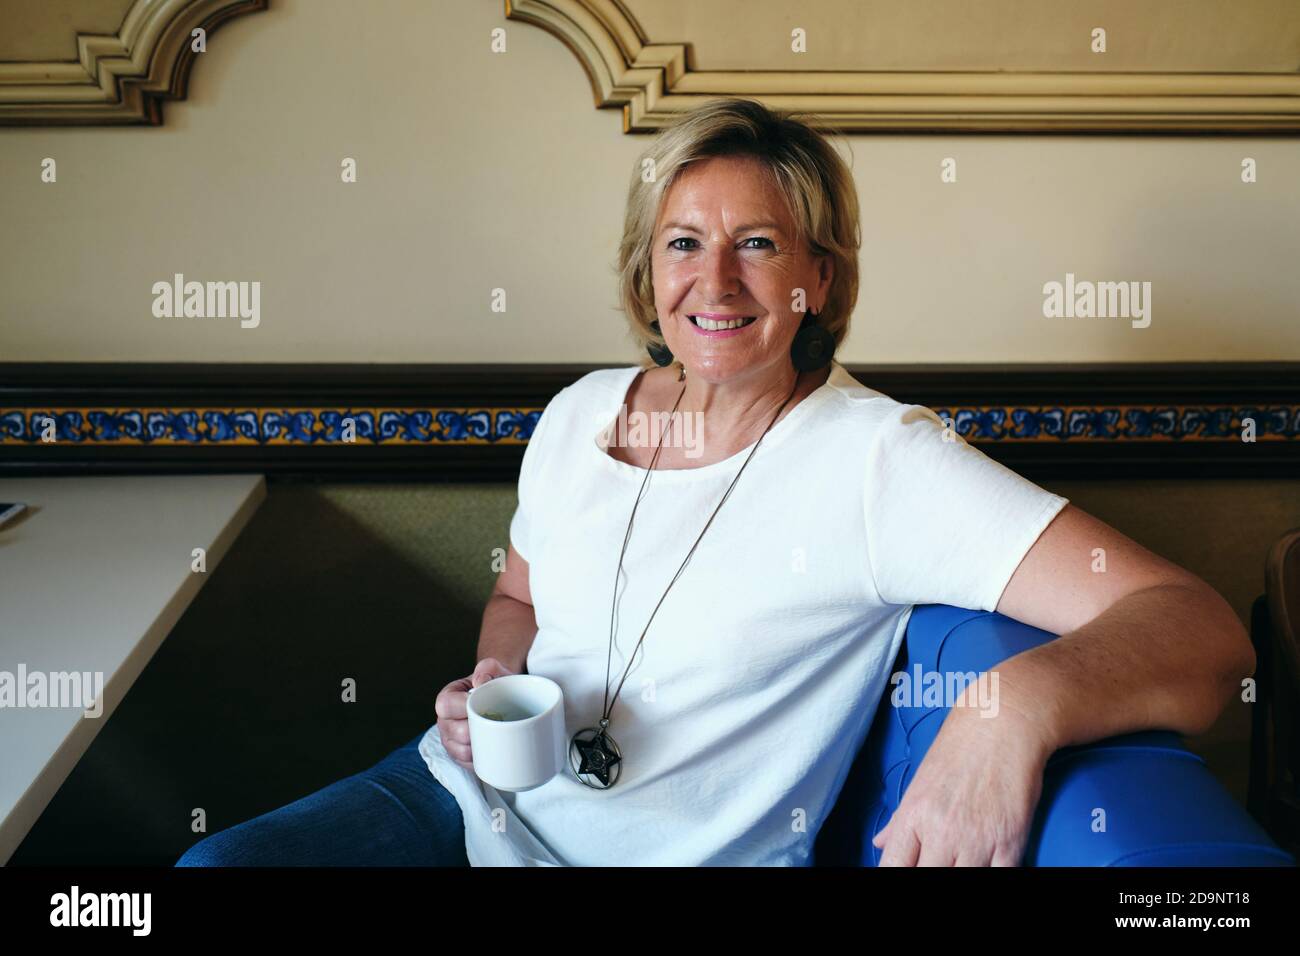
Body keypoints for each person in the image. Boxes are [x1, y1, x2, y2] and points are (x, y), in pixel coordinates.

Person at [177, 96, 1254, 868]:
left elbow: (1197, 626)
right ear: (647, 273)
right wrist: (487, 685)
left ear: (816, 278)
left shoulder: (881, 460)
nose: (715, 279)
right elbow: (519, 595)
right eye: (683, 242)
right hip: (457, 797)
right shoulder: (577, 411)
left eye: (758, 244)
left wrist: (1006, 704)